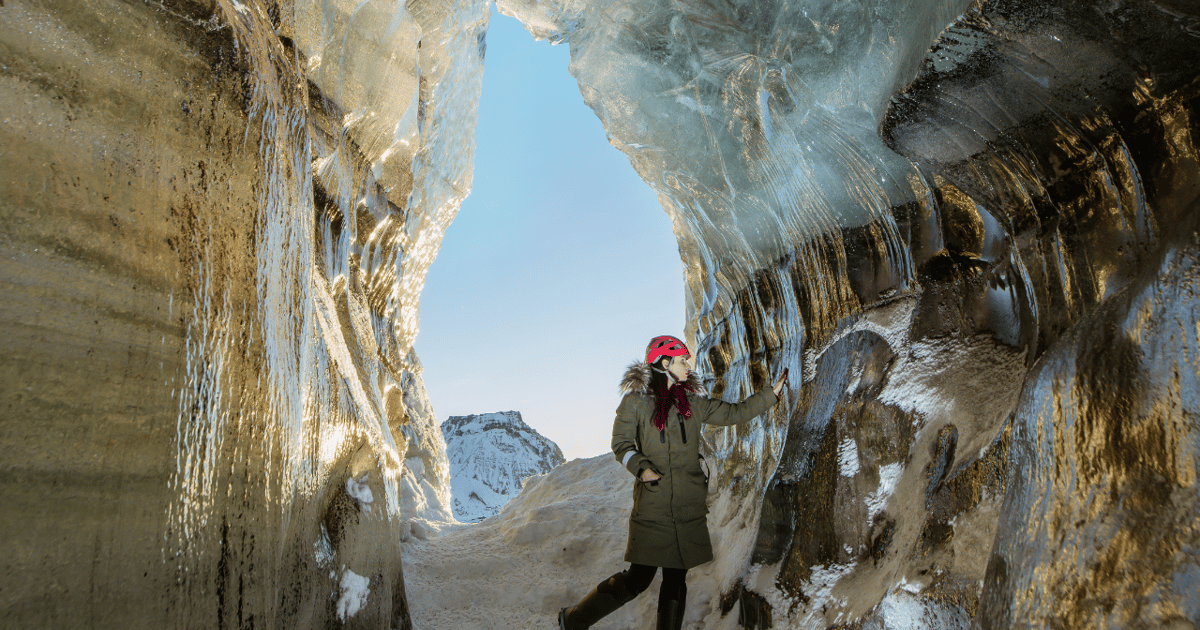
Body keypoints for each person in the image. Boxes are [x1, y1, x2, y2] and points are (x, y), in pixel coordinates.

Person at [558, 335, 787, 630]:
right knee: (638, 578)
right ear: (664, 363)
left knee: (676, 579)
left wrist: (771, 395)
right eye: (682, 361)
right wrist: (642, 469)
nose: (688, 366)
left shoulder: (693, 403)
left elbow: (735, 413)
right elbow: (621, 444)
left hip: (687, 506)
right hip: (653, 506)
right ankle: (575, 619)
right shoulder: (635, 403)